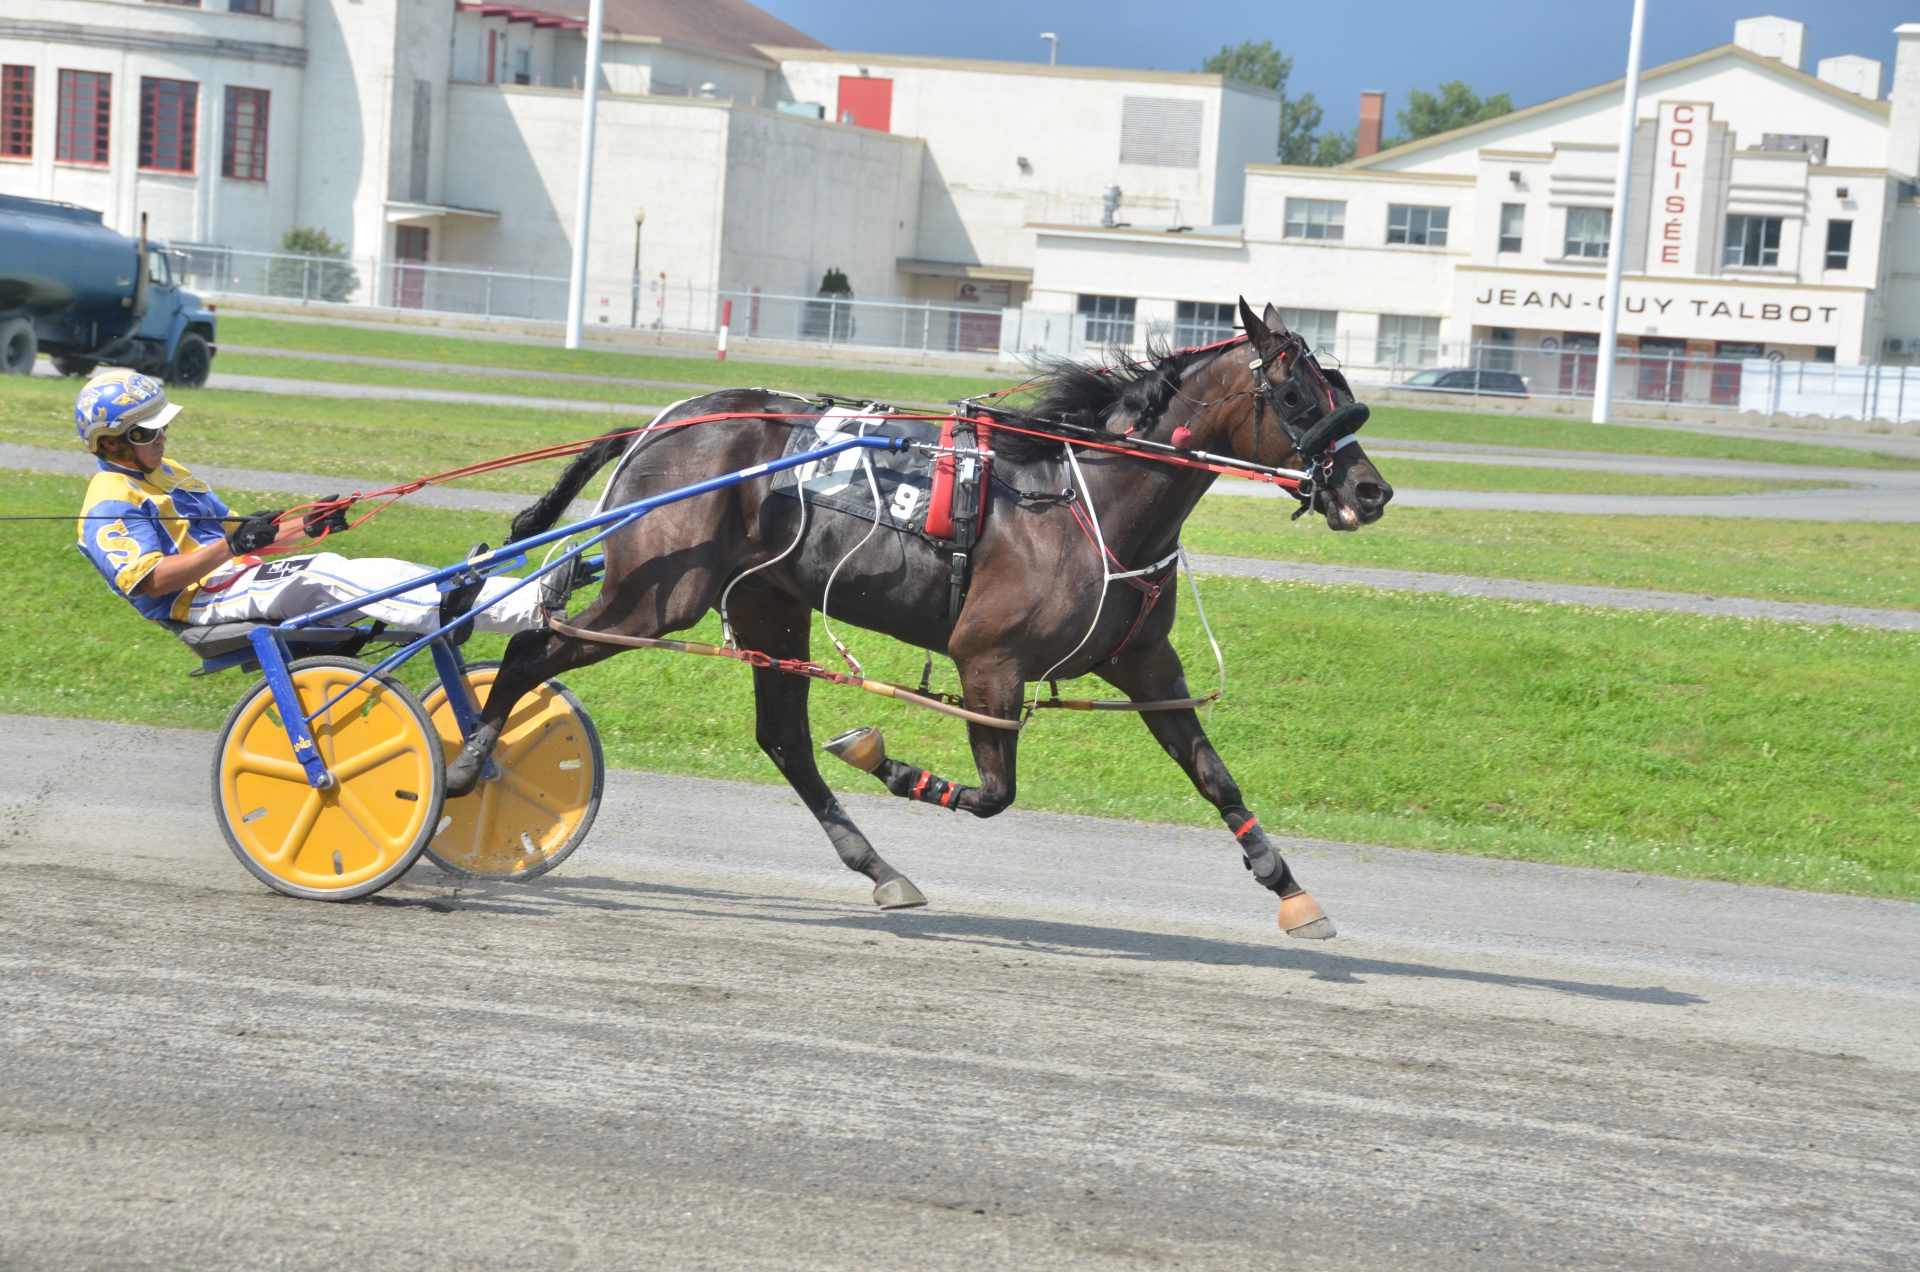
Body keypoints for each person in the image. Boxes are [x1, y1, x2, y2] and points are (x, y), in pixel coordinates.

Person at [73, 370, 545, 639]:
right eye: (147, 432)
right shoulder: (109, 502)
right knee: (326, 572)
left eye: (160, 427)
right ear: (113, 444)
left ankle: (534, 597)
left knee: (379, 571)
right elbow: (152, 583)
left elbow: (247, 536)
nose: (162, 437)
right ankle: (516, 609)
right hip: (197, 602)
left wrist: (310, 525)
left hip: (235, 577)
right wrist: (231, 547)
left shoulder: (168, 472)